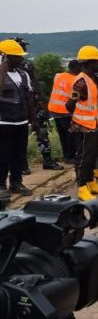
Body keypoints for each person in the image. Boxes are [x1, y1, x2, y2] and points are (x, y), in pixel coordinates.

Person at [67, 45, 98, 201]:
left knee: (91, 157)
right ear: (88, 63)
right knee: (83, 158)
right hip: (82, 127)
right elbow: (69, 105)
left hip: (92, 125)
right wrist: (77, 118)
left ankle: (91, 182)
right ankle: (82, 187)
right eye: (97, 62)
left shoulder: (91, 80)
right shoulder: (81, 82)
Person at [16, 37, 63, 172]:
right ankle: (24, 164)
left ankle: (44, 161)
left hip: (30, 103)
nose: (25, 49)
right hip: (23, 104)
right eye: (22, 46)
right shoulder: (15, 64)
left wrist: (42, 100)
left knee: (38, 131)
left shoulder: (24, 64)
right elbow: (35, 83)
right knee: (24, 134)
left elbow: (35, 82)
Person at [0, 39, 37, 199]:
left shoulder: (23, 74)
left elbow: (29, 98)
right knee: (3, 155)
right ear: (5, 57)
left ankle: (16, 182)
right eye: (16, 57)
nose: (20, 60)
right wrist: (3, 68)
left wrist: (33, 119)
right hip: (3, 122)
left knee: (19, 154)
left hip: (21, 122)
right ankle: (1, 185)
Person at [48, 59, 81, 164]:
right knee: (71, 134)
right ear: (76, 68)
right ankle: (70, 156)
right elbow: (75, 97)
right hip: (66, 111)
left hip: (54, 109)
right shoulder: (76, 80)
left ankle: (66, 155)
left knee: (63, 135)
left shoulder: (58, 76)